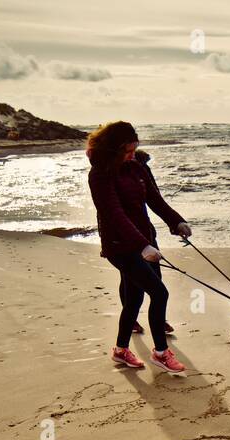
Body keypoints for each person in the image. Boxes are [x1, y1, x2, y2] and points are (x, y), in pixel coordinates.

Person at [86, 121, 191, 373]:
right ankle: (161, 353)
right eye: (128, 151)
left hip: (144, 240)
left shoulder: (135, 167)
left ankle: (121, 350)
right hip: (120, 246)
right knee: (159, 293)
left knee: (133, 298)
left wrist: (176, 221)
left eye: (135, 149)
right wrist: (142, 246)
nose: (133, 155)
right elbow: (114, 213)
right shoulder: (99, 174)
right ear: (113, 149)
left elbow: (155, 200)